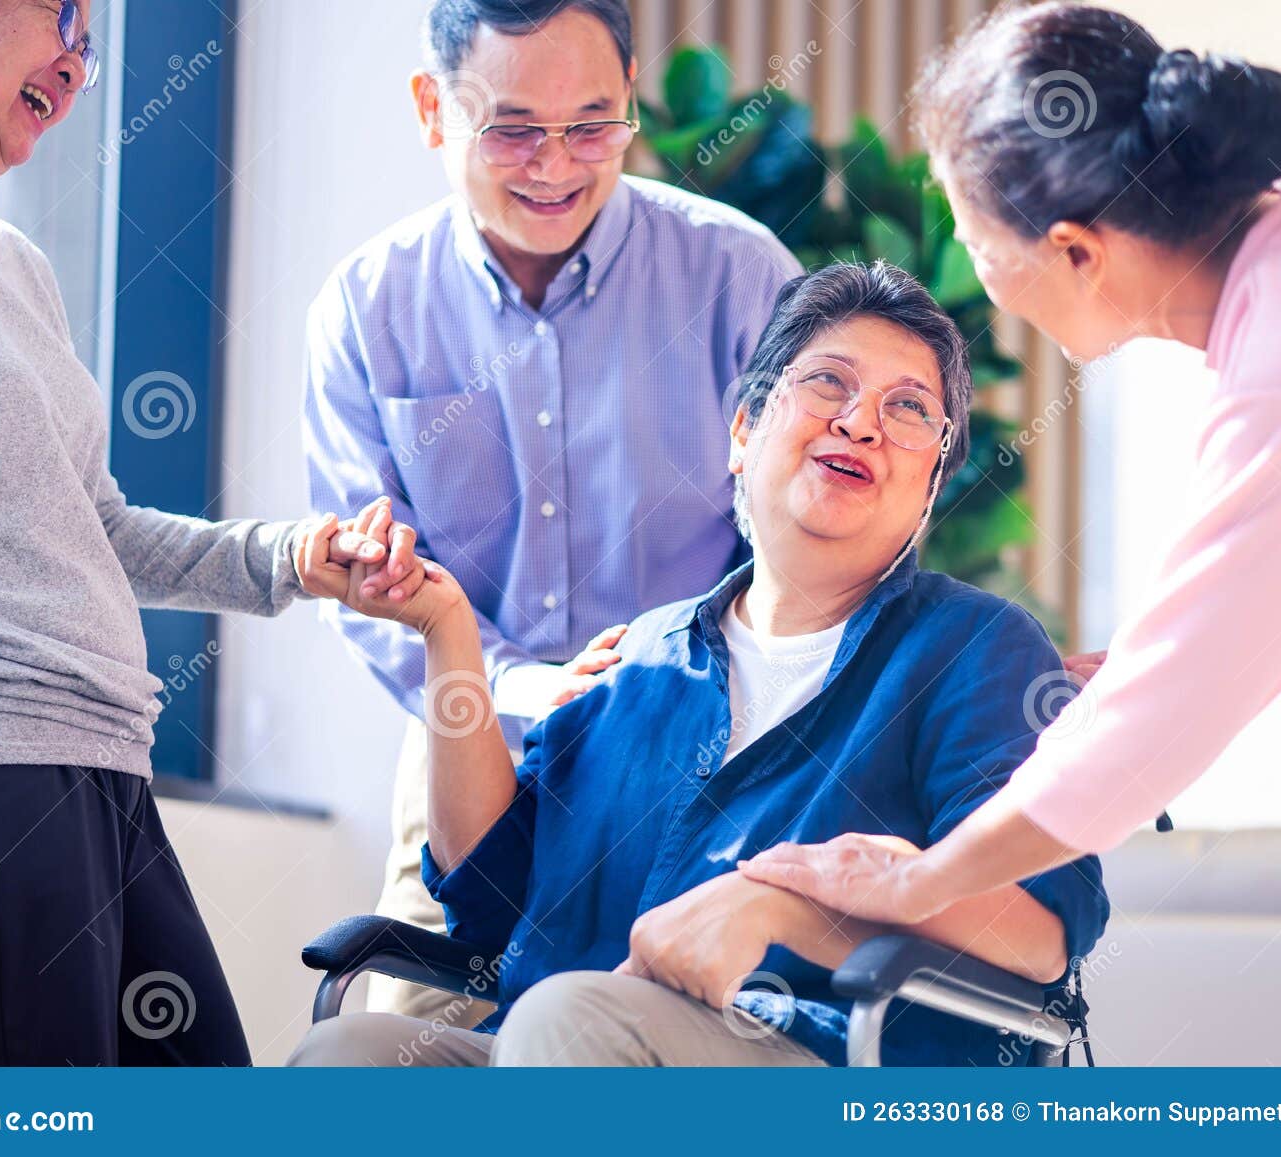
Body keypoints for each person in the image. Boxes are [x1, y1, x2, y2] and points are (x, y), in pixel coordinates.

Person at [288, 262, 1108, 1068]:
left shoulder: (976, 651)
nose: (861, 422)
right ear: (745, 430)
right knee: (351, 1053)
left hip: (817, 1055)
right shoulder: (643, 653)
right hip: (562, 1042)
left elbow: (1038, 931)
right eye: (828, 382)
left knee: (566, 1023)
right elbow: (488, 896)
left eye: (908, 409)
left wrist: (787, 909)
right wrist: (446, 630)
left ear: (930, 486)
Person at [729, 3, 1281, 940]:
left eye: (974, 247)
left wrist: (922, 880)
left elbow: (1162, 720)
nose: (980, 291)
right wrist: (1140, 666)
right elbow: (1270, 599)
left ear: (1077, 251)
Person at [0, 0, 343, 1065]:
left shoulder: (14, 262)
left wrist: (287, 558)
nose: (77, 59)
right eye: (61, 16)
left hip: (105, 763)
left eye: (91, 43)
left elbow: (90, 520)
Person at [302, 0, 800, 1024]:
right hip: (466, 738)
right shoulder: (366, 306)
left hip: (702, 754)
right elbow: (363, 583)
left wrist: (680, 678)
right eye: (513, 127)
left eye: (592, 124)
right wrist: (517, 687)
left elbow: (810, 540)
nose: (556, 164)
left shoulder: (739, 276)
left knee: (636, 1050)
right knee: (392, 1044)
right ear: (430, 110)